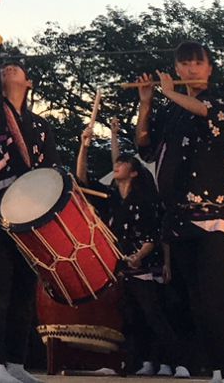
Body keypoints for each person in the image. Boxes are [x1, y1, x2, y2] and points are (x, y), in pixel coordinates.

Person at [134, 43, 224, 382]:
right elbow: (145, 147)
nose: (193, 69)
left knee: (216, 297)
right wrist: (147, 103)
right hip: (179, 219)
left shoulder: (217, 101)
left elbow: (206, 113)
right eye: (185, 63)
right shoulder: (171, 111)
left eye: (199, 63)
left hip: (213, 217)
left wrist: (168, 93)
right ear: (177, 69)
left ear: (209, 69)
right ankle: (213, 367)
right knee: (193, 300)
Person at [0, 0, 50, 383]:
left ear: (30, 83)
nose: (7, 71)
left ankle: (17, 363)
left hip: (29, 219)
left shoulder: (41, 129)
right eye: (5, 70)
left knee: (23, 291)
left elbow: (50, 178)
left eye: (15, 69)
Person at [78, 114, 180, 379]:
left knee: (154, 314)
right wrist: (85, 147)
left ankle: (175, 362)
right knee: (131, 316)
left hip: (145, 262)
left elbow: (152, 236)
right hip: (124, 263)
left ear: (133, 172)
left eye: (123, 164)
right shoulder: (113, 198)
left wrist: (139, 257)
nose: (117, 166)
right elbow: (82, 180)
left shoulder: (144, 200)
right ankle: (141, 361)